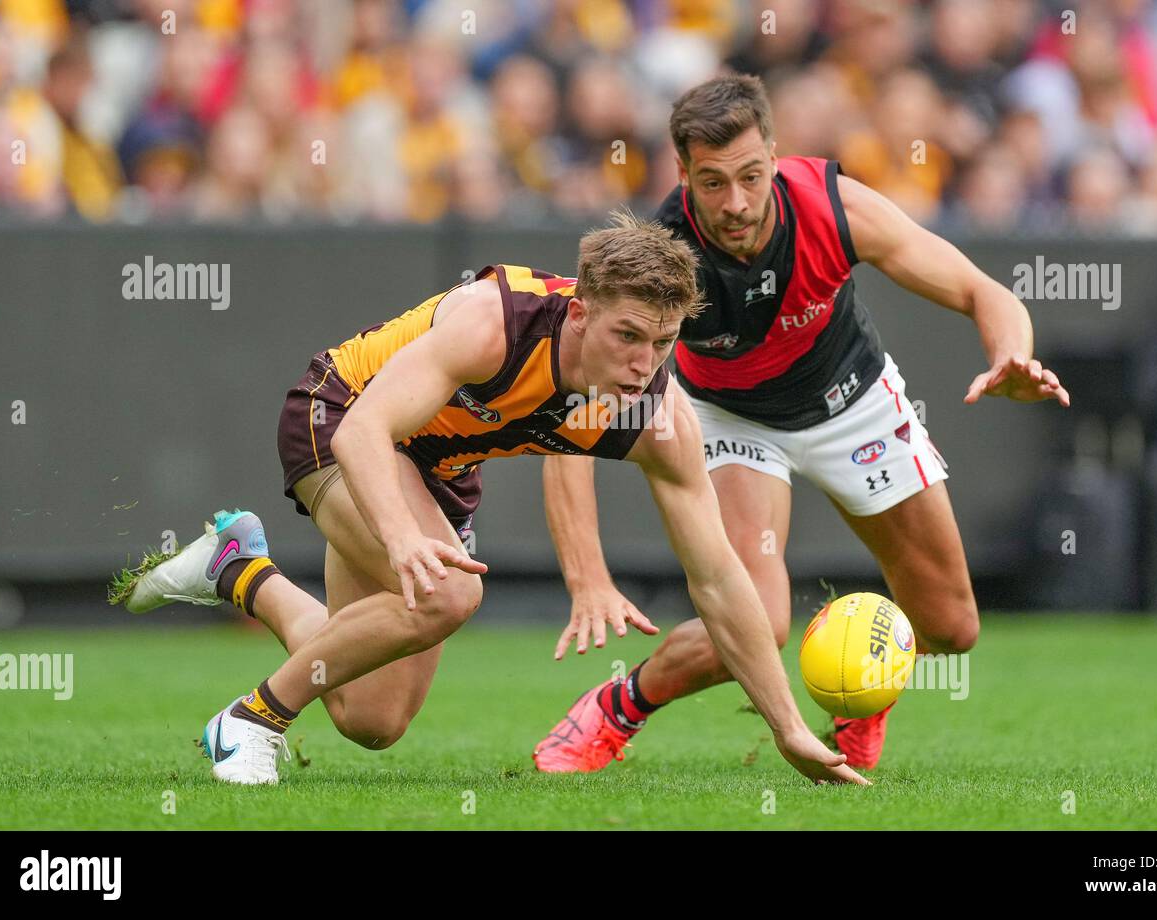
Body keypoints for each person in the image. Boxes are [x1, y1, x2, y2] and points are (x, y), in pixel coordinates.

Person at [109, 212, 866, 787]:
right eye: (629, 336)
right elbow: (368, 431)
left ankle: (240, 569)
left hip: (440, 469)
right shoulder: (493, 322)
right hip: (338, 417)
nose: (643, 366)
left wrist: (789, 727)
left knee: (370, 720)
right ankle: (247, 723)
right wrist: (404, 539)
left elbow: (720, 579)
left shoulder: (656, 416)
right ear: (581, 312)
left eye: (664, 342)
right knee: (443, 595)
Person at [533, 75, 1070, 774]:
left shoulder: (832, 206)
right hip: (731, 417)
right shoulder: (663, 252)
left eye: (752, 176)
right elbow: (571, 419)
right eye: (714, 182)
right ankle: (617, 708)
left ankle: (855, 684)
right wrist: (587, 578)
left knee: (952, 628)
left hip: (855, 400)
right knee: (759, 619)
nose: (737, 204)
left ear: (776, 158)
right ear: (682, 173)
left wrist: (1012, 356)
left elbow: (981, 290)